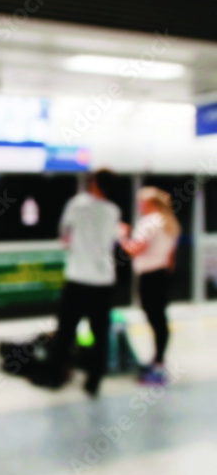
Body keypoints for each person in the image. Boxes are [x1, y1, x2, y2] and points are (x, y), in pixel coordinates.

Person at [39, 169, 121, 397]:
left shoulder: (76, 204)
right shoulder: (114, 211)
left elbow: (65, 237)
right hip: (103, 281)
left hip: (77, 278)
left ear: (94, 183)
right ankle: (94, 380)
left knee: (66, 331)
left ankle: (55, 376)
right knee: (100, 333)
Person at [119, 187, 179, 385]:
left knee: (154, 318)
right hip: (162, 275)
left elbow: (135, 250)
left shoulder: (149, 223)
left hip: (149, 277)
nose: (139, 206)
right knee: (160, 318)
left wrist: (122, 237)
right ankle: (158, 359)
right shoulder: (168, 222)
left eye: (141, 203)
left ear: (149, 204)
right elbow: (171, 257)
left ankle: (158, 366)